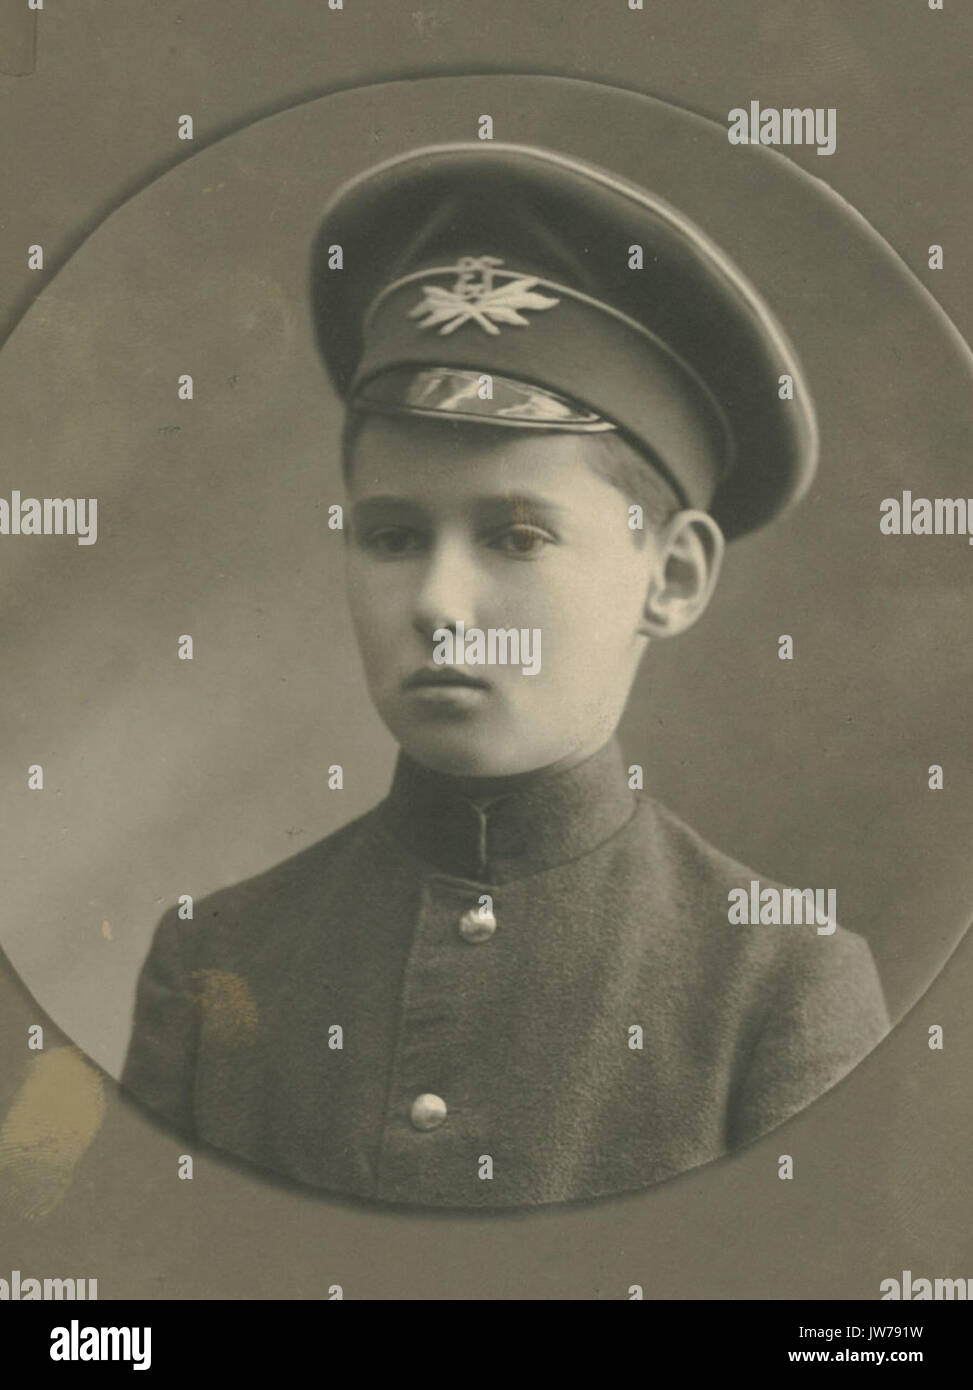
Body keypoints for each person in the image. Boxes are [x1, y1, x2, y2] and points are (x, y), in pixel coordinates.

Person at [121, 142, 890, 1208]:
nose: (438, 601)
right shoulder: (217, 962)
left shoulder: (776, 982)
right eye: (391, 538)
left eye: (517, 537)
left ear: (669, 576)